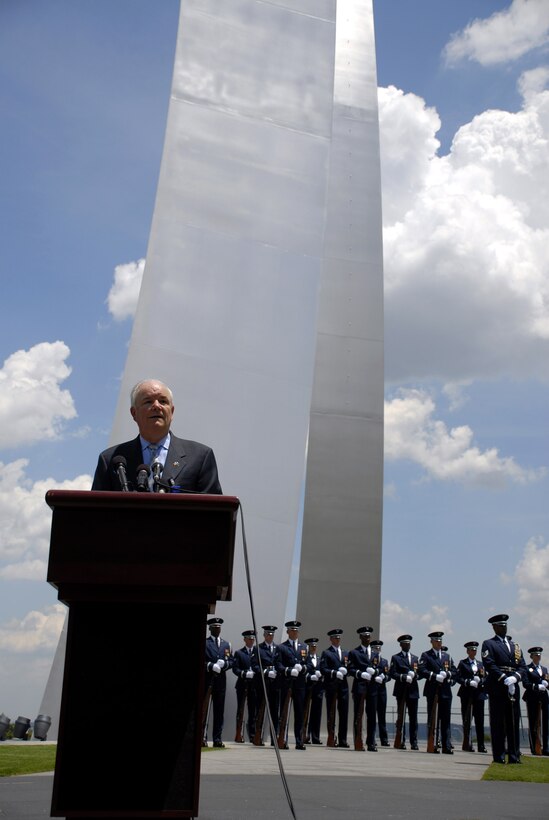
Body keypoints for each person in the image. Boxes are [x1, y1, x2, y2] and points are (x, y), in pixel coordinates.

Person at [92, 379, 222, 493]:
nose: (156, 406)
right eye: (148, 401)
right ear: (134, 413)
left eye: (163, 401)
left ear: (171, 411)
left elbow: (215, 514)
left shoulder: (200, 456)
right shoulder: (110, 460)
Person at [481, 613, 528, 764]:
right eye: (500, 626)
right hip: (498, 685)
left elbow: (522, 666)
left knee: (513, 721)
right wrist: (503, 678)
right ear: (494, 628)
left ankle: (514, 756)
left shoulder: (515, 646)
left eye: (505, 625)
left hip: (513, 685)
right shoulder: (489, 644)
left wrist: (515, 678)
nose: (503, 628)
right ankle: (499, 756)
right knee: (498, 722)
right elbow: (489, 663)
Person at [418, 631, 457, 754]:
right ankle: (432, 743)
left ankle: (446, 745)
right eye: (436, 640)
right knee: (433, 717)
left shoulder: (447, 656)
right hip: (432, 690)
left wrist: (448, 674)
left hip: (445, 691)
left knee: (446, 719)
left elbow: (455, 671)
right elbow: (421, 670)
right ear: (431, 642)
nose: (439, 642)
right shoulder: (426, 655)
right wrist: (434, 676)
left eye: (440, 641)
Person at [277, 620, 308, 749]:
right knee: (285, 711)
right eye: (292, 630)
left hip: (300, 685)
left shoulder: (303, 647)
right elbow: (278, 665)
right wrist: (289, 670)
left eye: (296, 630)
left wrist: (303, 668)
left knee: (300, 713)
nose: (295, 632)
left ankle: (299, 741)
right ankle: (283, 739)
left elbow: (310, 664)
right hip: (286, 684)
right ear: (288, 632)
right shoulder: (282, 647)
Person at [348, 627, 379, 751]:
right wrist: (360, 674)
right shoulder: (354, 652)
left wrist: (376, 671)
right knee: (358, 715)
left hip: (372, 688)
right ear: (360, 637)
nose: (367, 638)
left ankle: (371, 742)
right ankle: (358, 740)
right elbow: (350, 669)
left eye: (369, 636)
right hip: (360, 687)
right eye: (365, 636)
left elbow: (380, 668)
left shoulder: (375, 654)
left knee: (371, 716)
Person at [203, 617, 233, 747]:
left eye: (219, 627)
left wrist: (225, 664)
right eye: (215, 627)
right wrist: (210, 665)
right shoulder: (205, 643)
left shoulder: (226, 644)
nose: (217, 629)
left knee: (219, 711)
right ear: (210, 628)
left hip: (220, 682)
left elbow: (232, 661)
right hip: (207, 680)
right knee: (205, 709)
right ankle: (202, 737)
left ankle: (217, 739)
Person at [320, 629, 350, 748]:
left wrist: (346, 671)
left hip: (343, 687)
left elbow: (350, 667)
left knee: (344, 713)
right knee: (331, 712)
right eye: (335, 638)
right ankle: (331, 737)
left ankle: (343, 739)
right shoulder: (326, 653)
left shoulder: (346, 653)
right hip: (331, 686)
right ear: (331, 639)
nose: (337, 640)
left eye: (339, 638)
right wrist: (334, 672)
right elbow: (323, 669)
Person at [456, 641, 488, 753]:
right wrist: (467, 682)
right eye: (471, 650)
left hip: (479, 694)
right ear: (467, 651)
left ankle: (481, 745)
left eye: (475, 650)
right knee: (467, 719)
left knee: (480, 721)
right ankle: (467, 743)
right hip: (466, 694)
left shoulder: (480, 664)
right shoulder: (463, 663)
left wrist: (481, 681)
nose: (473, 651)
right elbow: (458, 677)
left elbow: (485, 677)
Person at [389, 634, 420, 750]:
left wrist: (416, 675)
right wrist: (403, 677)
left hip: (413, 691)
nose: (407, 645)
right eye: (405, 643)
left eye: (409, 643)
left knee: (413, 718)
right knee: (401, 716)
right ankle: (400, 740)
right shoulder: (396, 658)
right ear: (401, 645)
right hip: (401, 690)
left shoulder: (415, 658)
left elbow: (420, 673)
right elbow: (392, 673)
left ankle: (414, 742)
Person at [252, 626, 281, 745]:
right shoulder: (258, 648)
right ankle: (257, 736)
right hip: (262, 683)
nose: (270, 636)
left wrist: (277, 672)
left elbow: (280, 663)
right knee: (260, 710)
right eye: (268, 634)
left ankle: (274, 738)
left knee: (274, 712)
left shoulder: (278, 648)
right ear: (264, 635)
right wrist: (265, 672)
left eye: (272, 635)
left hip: (274, 684)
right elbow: (254, 665)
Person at [522, 646, 549, 756]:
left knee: (546, 723)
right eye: (536, 655)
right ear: (532, 656)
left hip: (544, 697)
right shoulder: (527, 668)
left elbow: (547, 681)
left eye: (539, 655)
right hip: (532, 697)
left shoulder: (544, 669)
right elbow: (525, 683)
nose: (538, 656)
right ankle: (534, 747)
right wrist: (537, 686)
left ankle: (546, 748)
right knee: (533, 722)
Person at [232, 630, 258, 743]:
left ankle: (252, 735)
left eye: (253, 639)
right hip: (242, 684)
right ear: (245, 639)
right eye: (249, 638)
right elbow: (235, 669)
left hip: (254, 686)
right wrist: (243, 673)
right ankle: (239, 733)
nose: (251, 640)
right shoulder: (239, 653)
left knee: (253, 711)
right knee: (241, 710)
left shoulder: (258, 652)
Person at [370, 639, 391, 747]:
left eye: (379, 648)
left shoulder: (384, 662)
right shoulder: (370, 661)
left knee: (382, 716)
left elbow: (389, 675)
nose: (378, 650)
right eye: (375, 648)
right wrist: (374, 678)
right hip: (373, 690)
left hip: (382, 691)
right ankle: (372, 738)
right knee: (372, 715)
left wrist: (384, 678)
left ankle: (384, 739)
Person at [304, 638, 324, 744]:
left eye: (315, 646)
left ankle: (315, 737)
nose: (314, 648)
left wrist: (321, 675)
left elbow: (324, 669)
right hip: (307, 687)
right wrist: (309, 676)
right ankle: (304, 735)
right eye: (312, 646)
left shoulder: (320, 658)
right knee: (305, 711)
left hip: (318, 689)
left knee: (316, 713)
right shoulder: (305, 658)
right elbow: (303, 671)